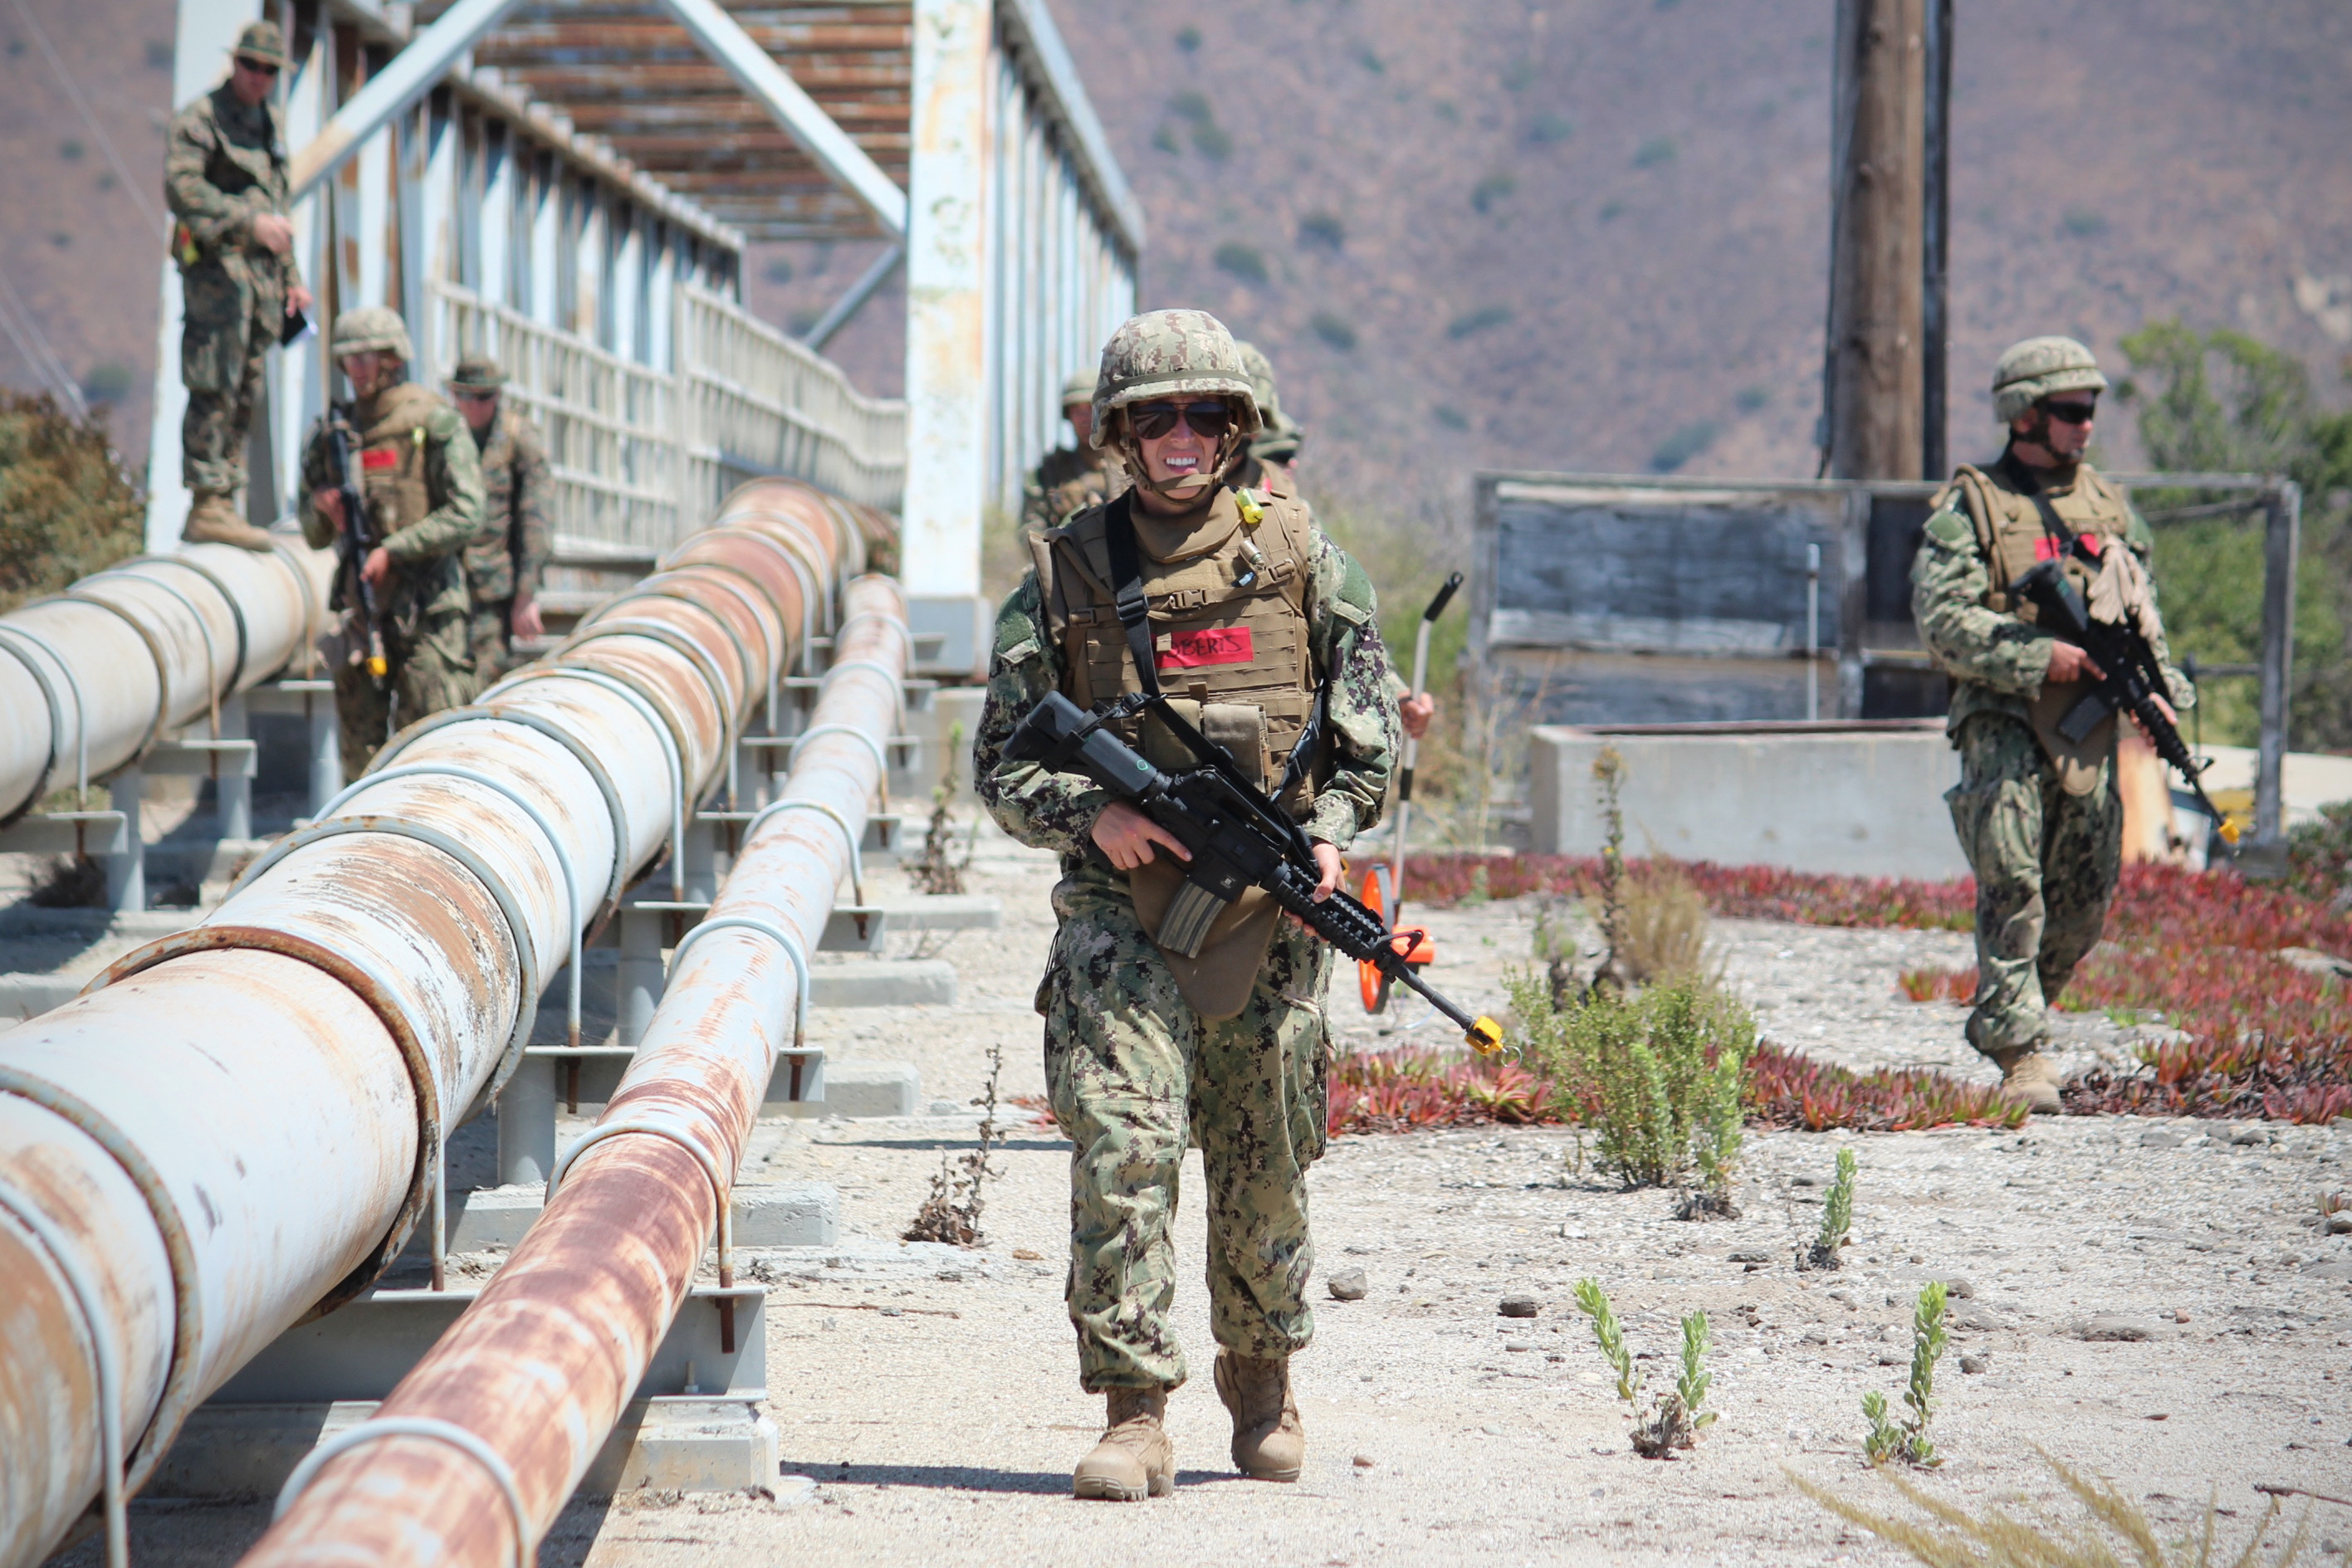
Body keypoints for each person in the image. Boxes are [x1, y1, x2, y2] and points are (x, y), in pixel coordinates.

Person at [975, 310, 1401, 1501]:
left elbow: (1367, 739)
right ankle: (1134, 1411)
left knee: (1265, 1151)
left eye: (1204, 413)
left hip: (1266, 912)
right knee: (1126, 1144)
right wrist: (1092, 815)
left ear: (1237, 428)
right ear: (1117, 434)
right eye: (1153, 415)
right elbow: (1000, 763)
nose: (1179, 435)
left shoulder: (1307, 562)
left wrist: (1330, 830)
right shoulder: (1063, 576)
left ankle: (1262, 1385)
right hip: (1119, 914)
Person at [1911, 335, 2193, 1112]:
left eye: (2091, 408)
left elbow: (2141, 618)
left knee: (2083, 896)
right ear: (2024, 414)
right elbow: (1941, 621)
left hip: (2086, 727)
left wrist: (2159, 694)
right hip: (2002, 713)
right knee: (2011, 877)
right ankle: (2019, 1049)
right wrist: (2041, 656)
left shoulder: (2108, 507)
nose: (2085, 424)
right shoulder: (1971, 507)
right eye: (2070, 409)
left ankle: (2029, 1001)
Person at [300, 308, 482, 780]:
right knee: (360, 757)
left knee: (431, 747)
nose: (357, 369)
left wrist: (395, 548)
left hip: (428, 609)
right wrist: (324, 510)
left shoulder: (434, 422)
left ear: (392, 358)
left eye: (366, 357)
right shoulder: (334, 436)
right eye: (349, 359)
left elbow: (467, 512)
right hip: (363, 610)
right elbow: (314, 535)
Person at [164, 19, 313, 550]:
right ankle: (206, 500)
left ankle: (226, 495)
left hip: (261, 282)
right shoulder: (202, 119)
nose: (259, 76)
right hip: (217, 278)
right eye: (251, 65)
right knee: (213, 382)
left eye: (269, 69)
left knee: (247, 385)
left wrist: (292, 277)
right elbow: (181, 188)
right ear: (235, 62)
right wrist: (248, 224)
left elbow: (277, 206)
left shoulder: (270, 125)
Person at [447, 358, 553, 683]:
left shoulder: (517, 438)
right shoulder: (442, 435)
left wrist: (526, 594)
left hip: (492, 592)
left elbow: (536, 519)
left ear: (498, 396)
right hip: (445, 588)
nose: (475, 406)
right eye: (466, 396)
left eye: (484, 397)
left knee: (485, 680)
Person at [1020, 369, 1128, 534]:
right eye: (1077, 410)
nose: (1085, 418)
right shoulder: (1050, 474)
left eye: (1091, 409)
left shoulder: (1135, 466)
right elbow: (1030, 533)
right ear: (1068, 415)